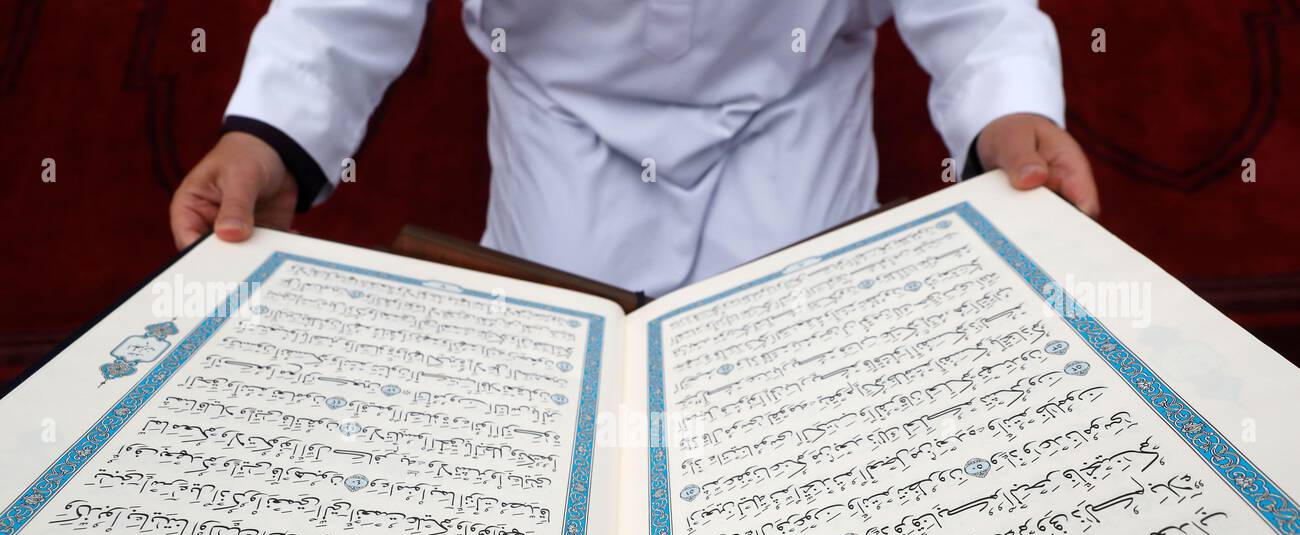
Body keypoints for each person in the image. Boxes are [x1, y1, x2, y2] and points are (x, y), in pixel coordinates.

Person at [169, 0, 1099, 296]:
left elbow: (979, 16)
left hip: (792, 120)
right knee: (573, 463)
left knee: (797, 455)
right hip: (562, 132)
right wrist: (267, 138)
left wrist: (1007, 114)